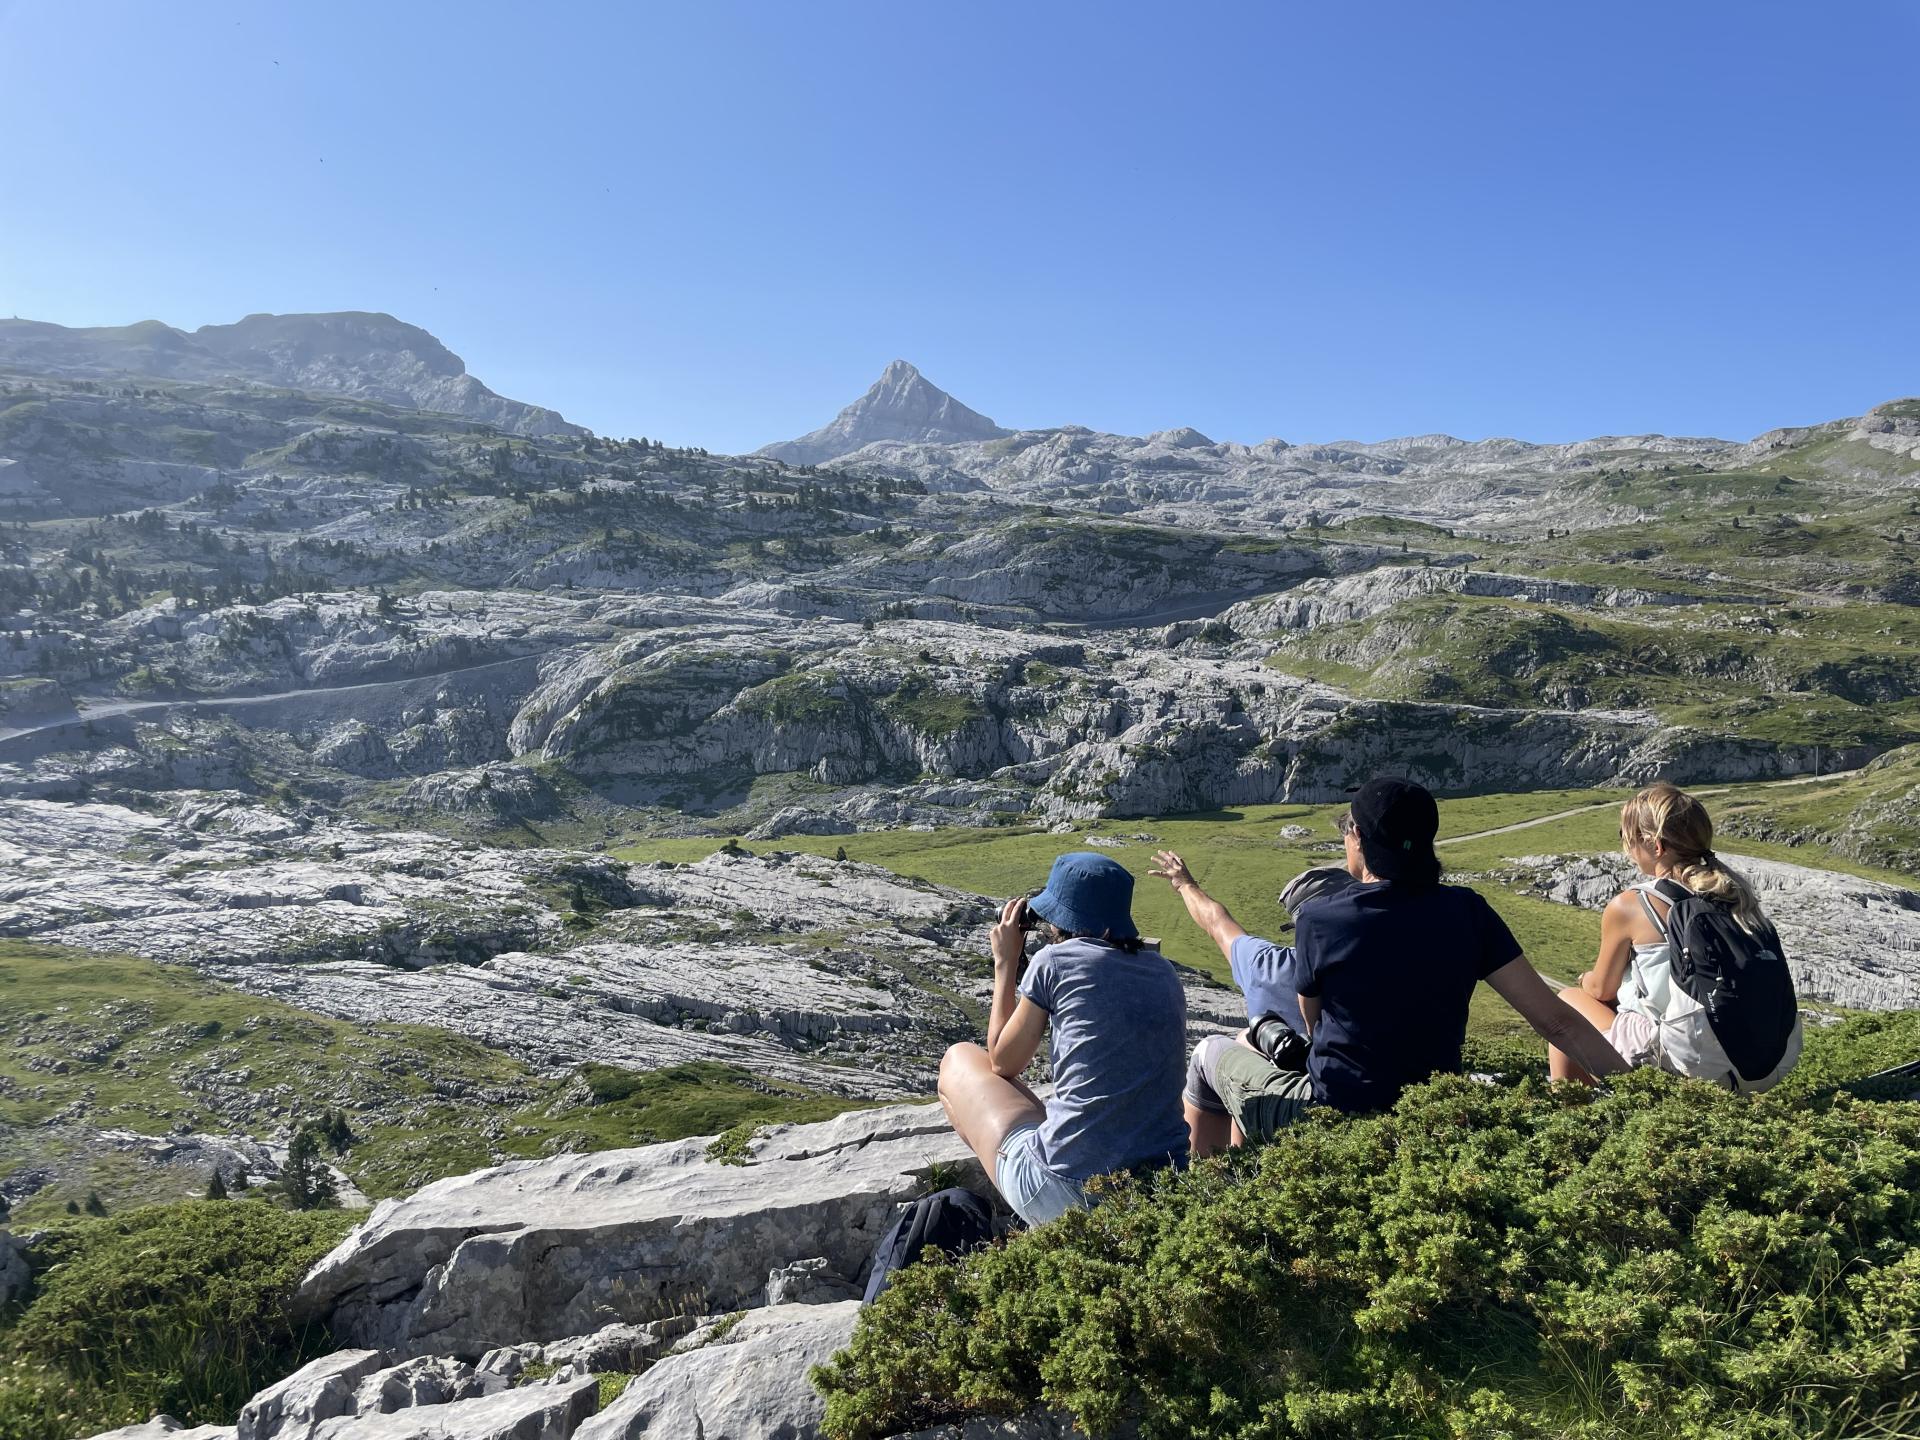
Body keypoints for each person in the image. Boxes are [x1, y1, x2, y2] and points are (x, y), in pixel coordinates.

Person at [1152, 777, 1630, 1156]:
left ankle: (1211, 1190)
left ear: (1358, 839)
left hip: (1332, 1116)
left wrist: (1184, 883)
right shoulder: (1468, 911)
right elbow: (1557, 1022)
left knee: (1210, 1053)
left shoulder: (1322, 920)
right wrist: (1644, 1096)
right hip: (1430, 1112)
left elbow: (1315, 1025)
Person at [937, 851, 1190, 1226]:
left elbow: (1003, 1062)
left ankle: (1032, 1221)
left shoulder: (1054, 962)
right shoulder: (1164, 972)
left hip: (1068, 1191)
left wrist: (1006, 963)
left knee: (958, 1059)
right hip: (1160, 1190)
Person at [1550, 782, 1802, 1088]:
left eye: (1627, 837)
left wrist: (1585, 979)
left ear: (1656, 846)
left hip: (1688, 1062)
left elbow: (1601, 989)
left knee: (1566, 1002)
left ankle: (1572, 1109)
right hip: (1761, 1069)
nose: (1626, 847)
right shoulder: (1736, 897)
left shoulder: (1631, 905)